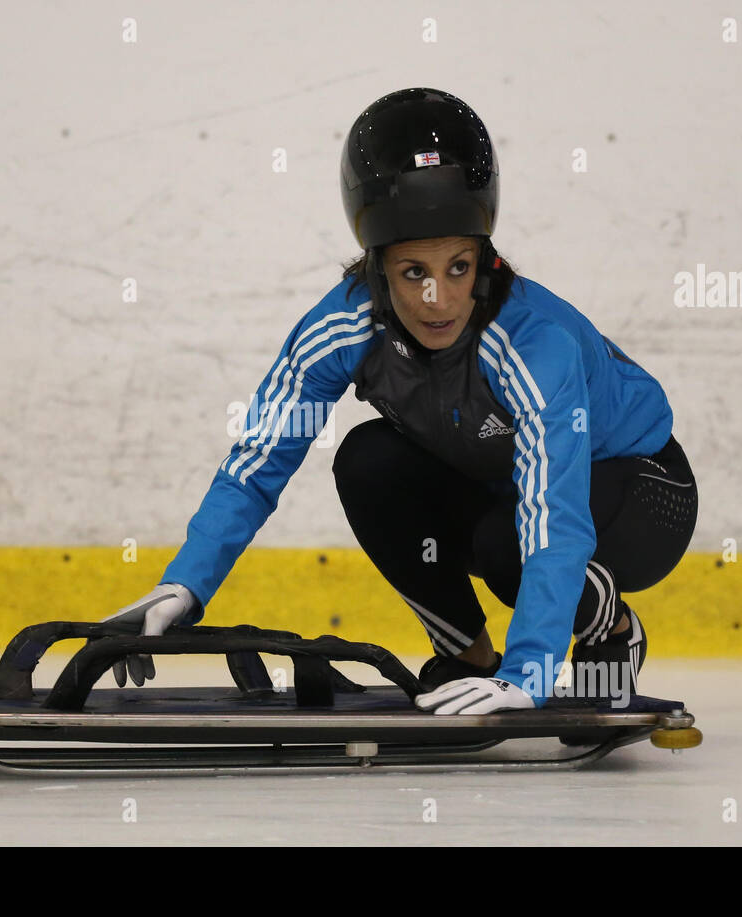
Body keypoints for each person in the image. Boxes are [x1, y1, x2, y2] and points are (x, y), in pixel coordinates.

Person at [103, 88, 698, 714]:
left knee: (508, 543)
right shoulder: (342, 326)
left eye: (460, 268)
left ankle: (608, 630)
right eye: (415, 273)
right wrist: (185, 584)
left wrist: (528, 675)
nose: (438, 300)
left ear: (484, 259)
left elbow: (551, 513)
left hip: (641, 490)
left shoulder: (533, 343)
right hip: (501, 484)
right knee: (368, 459)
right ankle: (464, 655)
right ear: (377, 267)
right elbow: (260, 459)